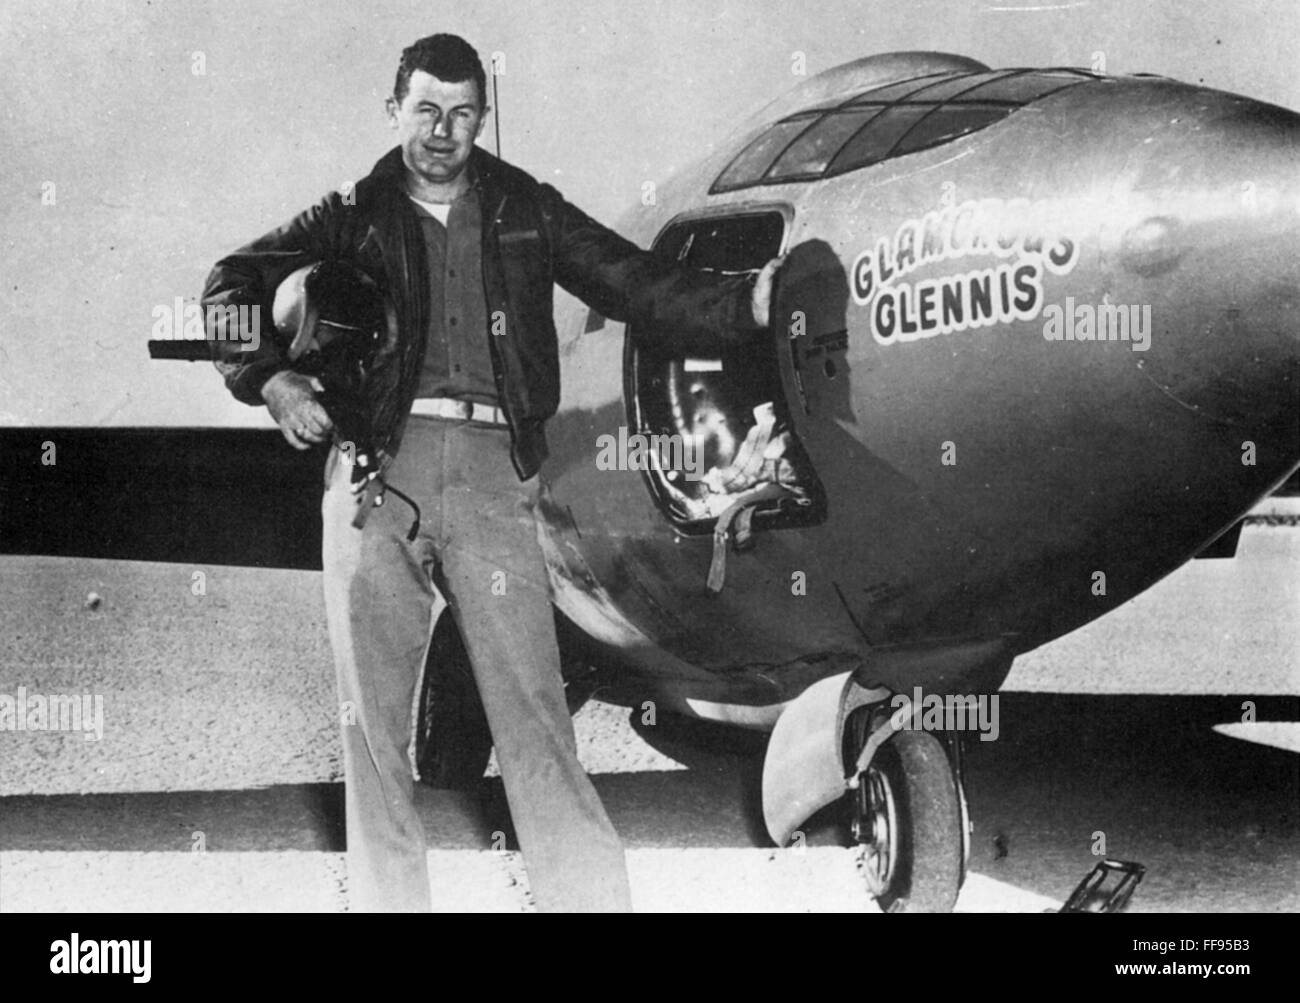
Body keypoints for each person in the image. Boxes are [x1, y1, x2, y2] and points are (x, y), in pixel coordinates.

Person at [202, 32, 782, 912]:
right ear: (393, 108)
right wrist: (272, 379)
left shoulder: (524, 209)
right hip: (374, 481)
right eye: (426, 109)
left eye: (464, 113)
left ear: (484, 116)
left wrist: (746, 305)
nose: (443, 130)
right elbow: (227, 288)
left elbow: (634, 284)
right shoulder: (350, 213)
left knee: (536, 723)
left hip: (491, 481)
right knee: (373, 734)